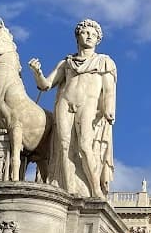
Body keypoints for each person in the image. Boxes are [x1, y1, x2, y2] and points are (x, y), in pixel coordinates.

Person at [29, 18, 116, 198]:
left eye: (94, 34)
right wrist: (37, 72)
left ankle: (95, 189)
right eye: (85, 32)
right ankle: (69, 190)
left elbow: (109, 90)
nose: (89, 36)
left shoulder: (104, 61)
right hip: (65, 102)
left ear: (98, 39)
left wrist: (109, 109)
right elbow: (46, 85)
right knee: (63, 146)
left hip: (88, 105)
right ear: (78, 37)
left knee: (85, 145)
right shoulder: (67, 63)